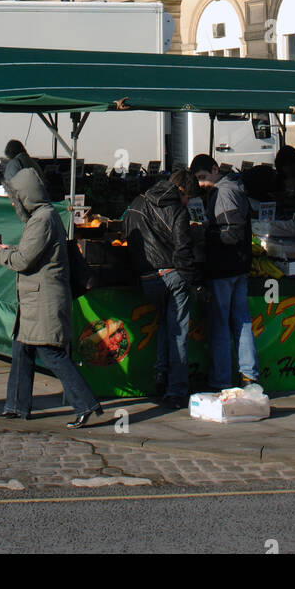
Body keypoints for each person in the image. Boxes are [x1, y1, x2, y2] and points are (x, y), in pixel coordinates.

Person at [0, 167, 102, 427]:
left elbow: (25, 260)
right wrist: (8, 248)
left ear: (26, 196)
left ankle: (85, 404)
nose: (14, 203)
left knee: (52, 353)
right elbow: (31, 252)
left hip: (43, 301)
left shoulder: (42, 220)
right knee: (22, 350)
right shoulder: (44, 216)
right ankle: (16, 406)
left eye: (16, 198)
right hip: (36, 301)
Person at [123, 167, 203, 409]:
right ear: (181, 190)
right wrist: (194, 282)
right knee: (178, 333)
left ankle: (160, 375)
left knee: (163, 326)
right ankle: (176, 390)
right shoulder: (177, 209)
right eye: (188, 196)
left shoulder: (138, 203)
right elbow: (183, 250)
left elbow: (128, 237)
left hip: (148, 278)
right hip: (173, 275)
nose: (188, 200)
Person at [190, 153, 259, 391]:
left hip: (224, 268)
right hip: (239, 266)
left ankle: (221, 380)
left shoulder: (224, 192)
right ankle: (249, 376)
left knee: (220, 325)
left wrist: (204, 232)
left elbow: (231, 233)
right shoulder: (233, 188)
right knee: (242, 321)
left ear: (215, 170)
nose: (201, 184)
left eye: (202, 177)